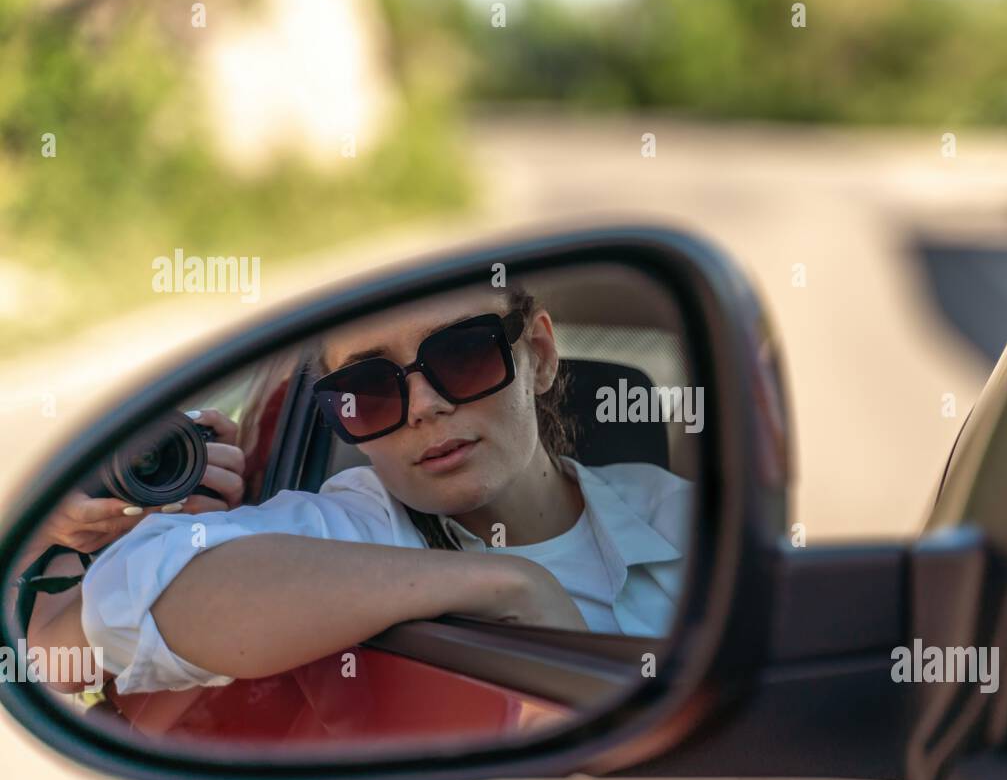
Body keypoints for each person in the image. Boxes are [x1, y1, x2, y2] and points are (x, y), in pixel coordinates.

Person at [27, 285, 692, 696]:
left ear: (539, 358)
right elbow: (116, 610)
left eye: (463, 353)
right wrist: (510, 584)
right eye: (371, 389)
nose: (426, 406)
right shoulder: (363, 524)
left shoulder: (687, 519)